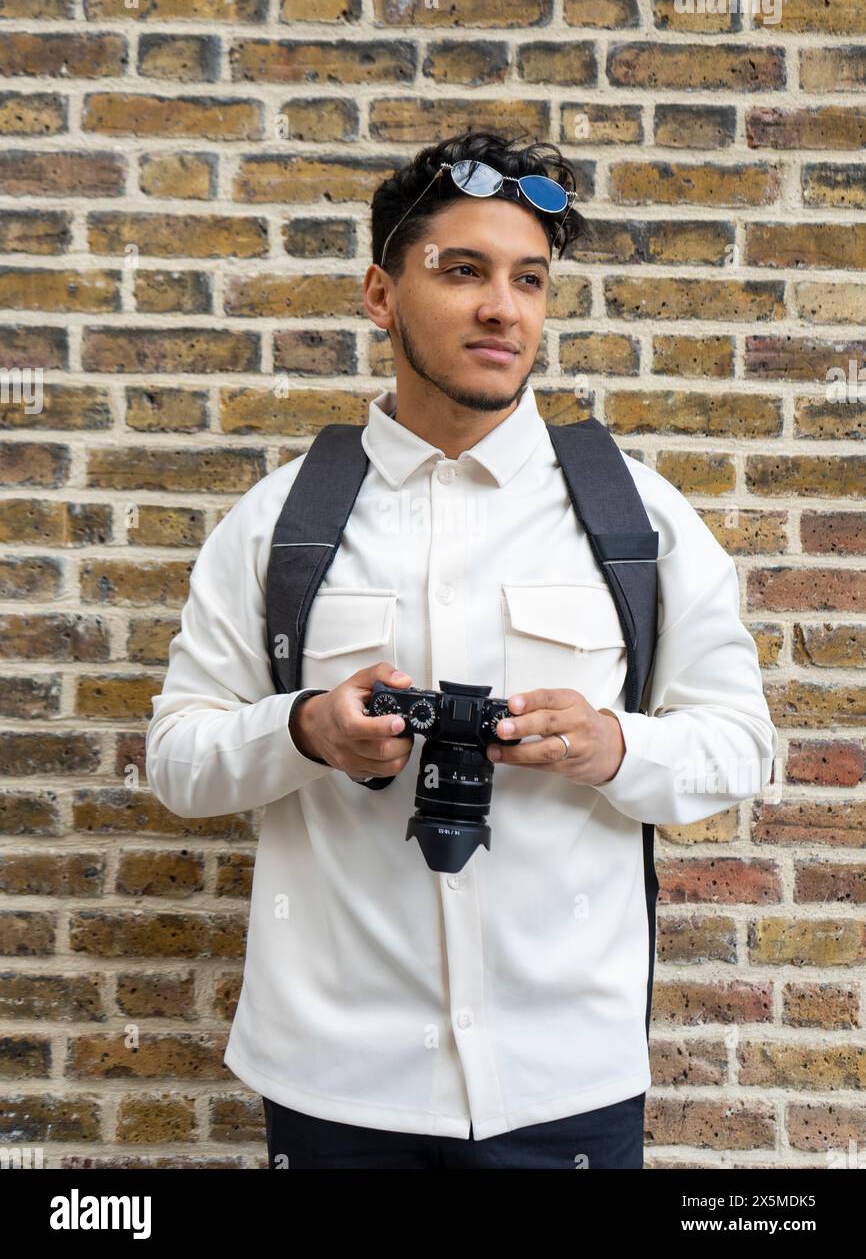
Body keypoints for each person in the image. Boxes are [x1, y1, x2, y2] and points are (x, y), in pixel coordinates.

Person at [146, 129, 778, 1169]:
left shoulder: (636, 519)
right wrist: (304, 730)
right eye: (461, 271)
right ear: (379, 294)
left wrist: (609, 748)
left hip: (566, 1080)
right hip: (336, 1084)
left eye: (528, 279)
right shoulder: (276, 526)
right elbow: (177, 756)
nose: (502, 307)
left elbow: (740, 743)